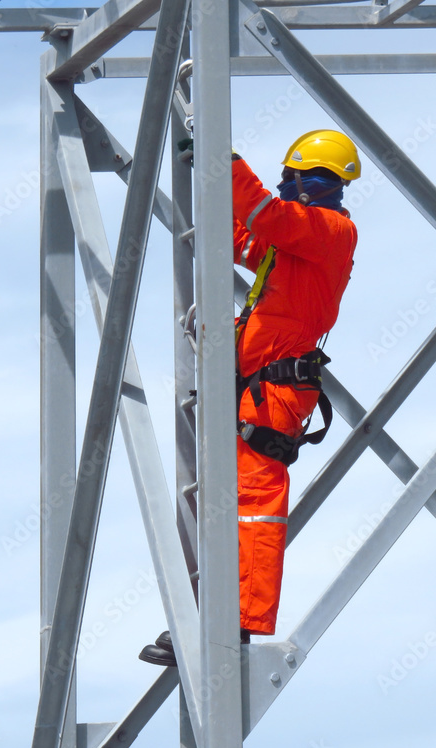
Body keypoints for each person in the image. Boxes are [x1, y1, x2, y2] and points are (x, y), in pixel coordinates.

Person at [140, 130, 360, 665]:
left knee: (256, 503)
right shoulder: (295, 245)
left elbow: (264, 216)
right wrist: (210, 185)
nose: (284, 186)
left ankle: (232, 625)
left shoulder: (329, 230)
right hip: (252, 386)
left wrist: (222, 161)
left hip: (275, 391)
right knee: (222, 499)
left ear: (313, 182)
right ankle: (210, 612)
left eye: (292, 178)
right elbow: (245, 237)